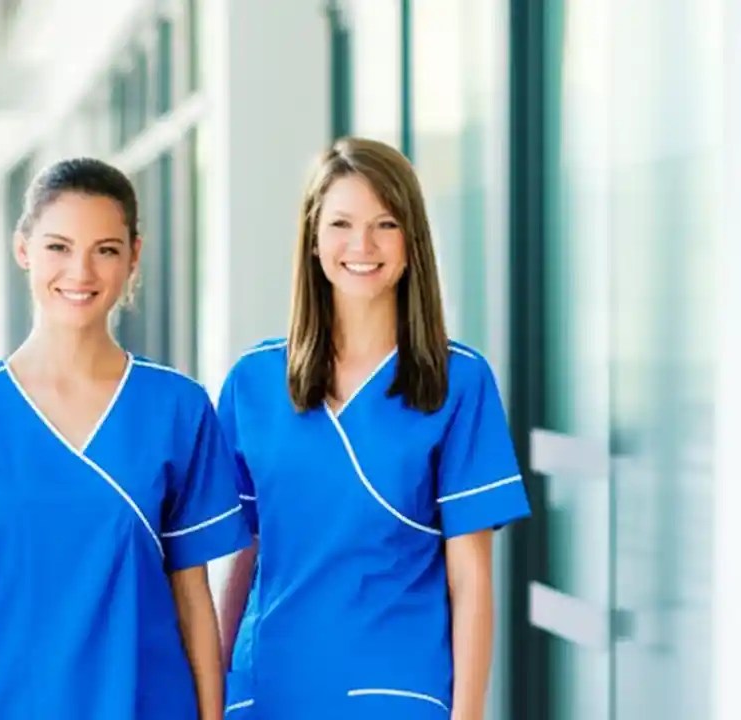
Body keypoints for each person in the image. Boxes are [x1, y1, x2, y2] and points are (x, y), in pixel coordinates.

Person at [0, 158, 251, 720]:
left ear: (134, 255)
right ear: (24, 250)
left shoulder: (177, 409)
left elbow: (194, 601)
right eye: (59, 247)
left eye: (106, 249)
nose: (81, 271)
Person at [216, 138, 532, 719]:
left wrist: (468, 715)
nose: (361, 245)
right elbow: (244, 553)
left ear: (412, 243)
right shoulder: (253, 382)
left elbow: (472, 576)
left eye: (385, 224)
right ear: (313, 240)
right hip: (272, 687)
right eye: (341, 223)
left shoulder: (457, 382)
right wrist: (213, 690)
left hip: (400, 690)